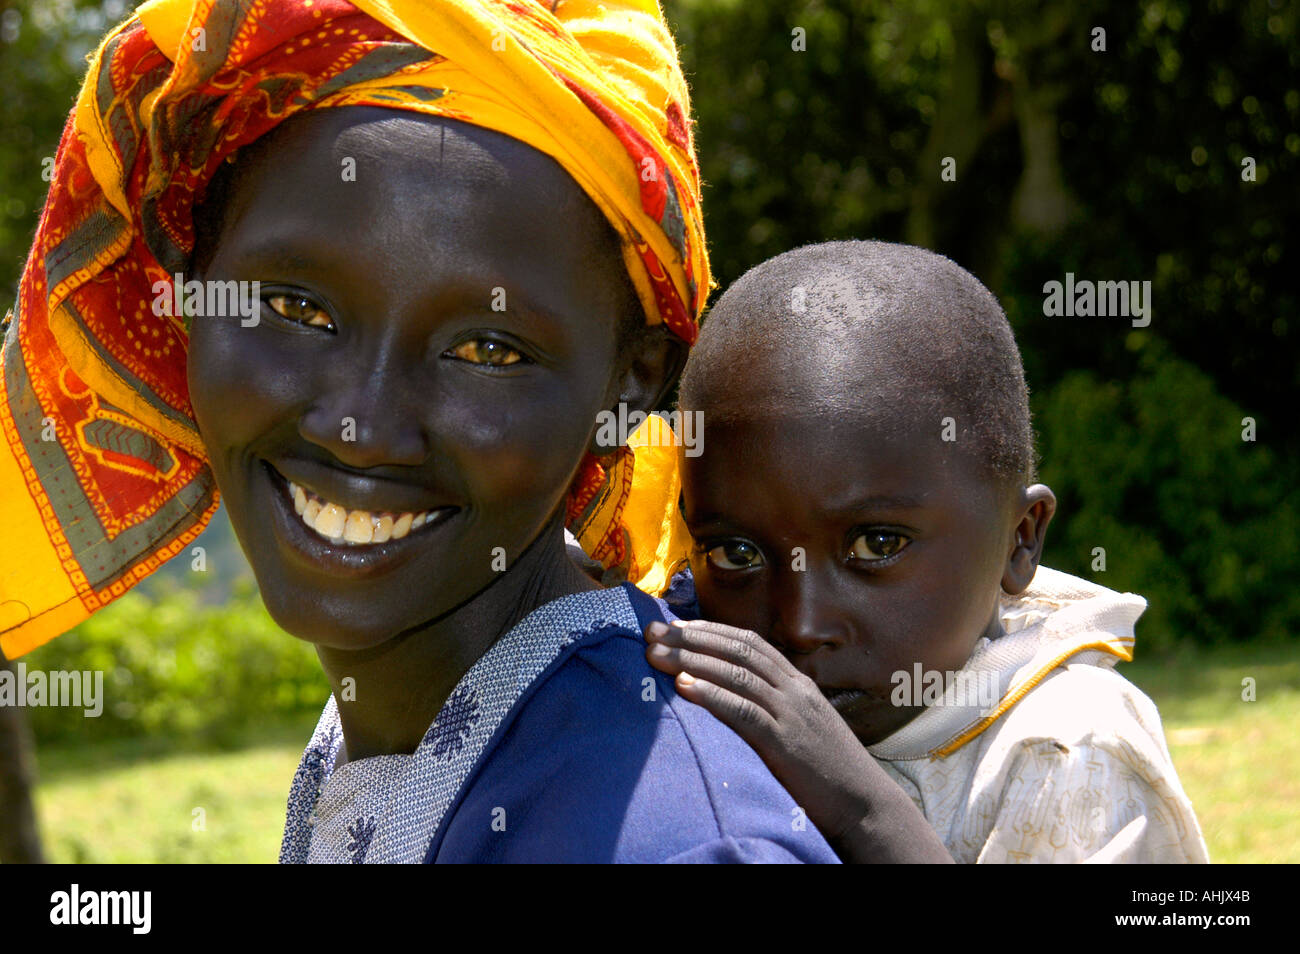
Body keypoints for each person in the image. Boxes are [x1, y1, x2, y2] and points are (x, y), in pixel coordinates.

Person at [0, 0, 896, 863]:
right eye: (295, 307)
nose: (363, 428)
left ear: (633, 381)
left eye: (488, 349)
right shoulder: (412, 723)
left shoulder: (675, 843)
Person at [637, 240, 1211, 863]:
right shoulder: (705, 690)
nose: (800, 625)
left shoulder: (1070, 751)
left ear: (1021, 540)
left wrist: (862, 812)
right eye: (737, 554)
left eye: (876, 544)